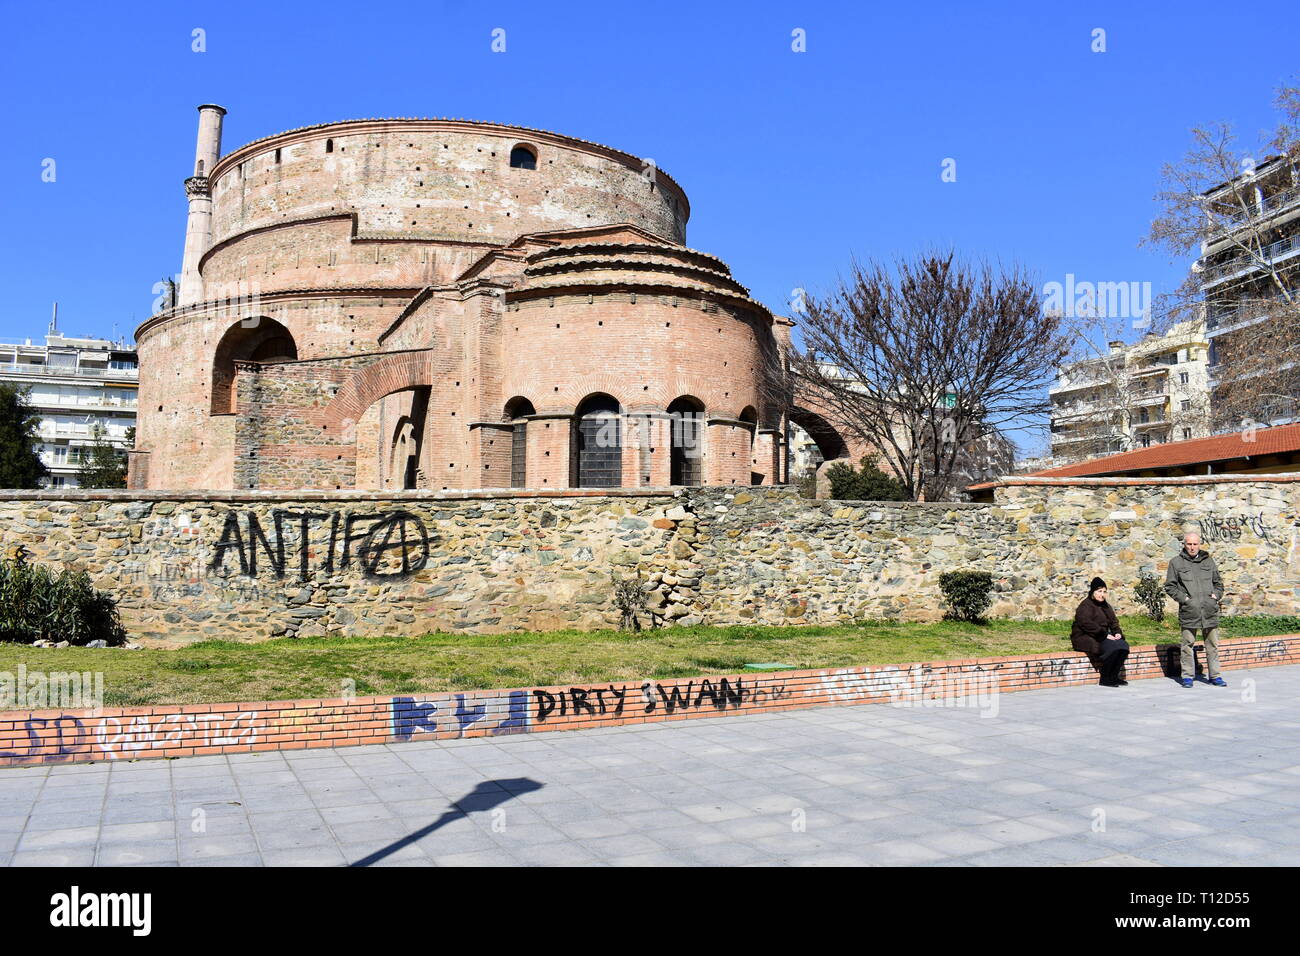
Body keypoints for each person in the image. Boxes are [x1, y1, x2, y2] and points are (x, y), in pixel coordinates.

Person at [1164, 529, 1226, 688]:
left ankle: (1215, 676)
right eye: (1189, 544)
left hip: (1209, 610)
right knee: (1187, 645)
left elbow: (1218, 583)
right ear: (1184, 545)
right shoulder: (1176, 562)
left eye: (1195, 544)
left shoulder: (1209, 561)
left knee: (1212, 645)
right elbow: (1170, 586)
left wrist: (1216, 597)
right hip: (1189, 611)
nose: (1192, 547)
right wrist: (1184, 600)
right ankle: (1187, 677)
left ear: (1200, 545)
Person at [1071, 577, 1129, 687]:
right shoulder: (1085, 606)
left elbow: (1113, 622)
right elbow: (1086, 624)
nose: (1102, 594)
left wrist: (1117, 633)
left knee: (1123, 646)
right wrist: (1105, 635)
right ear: (1093, 592)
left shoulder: (1106, 606)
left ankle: (1114, 676)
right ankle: (1105, 678)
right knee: (1112, 648)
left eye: (1104, 591)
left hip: (1101, 635)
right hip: (1085, 636)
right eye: (1099, 591)